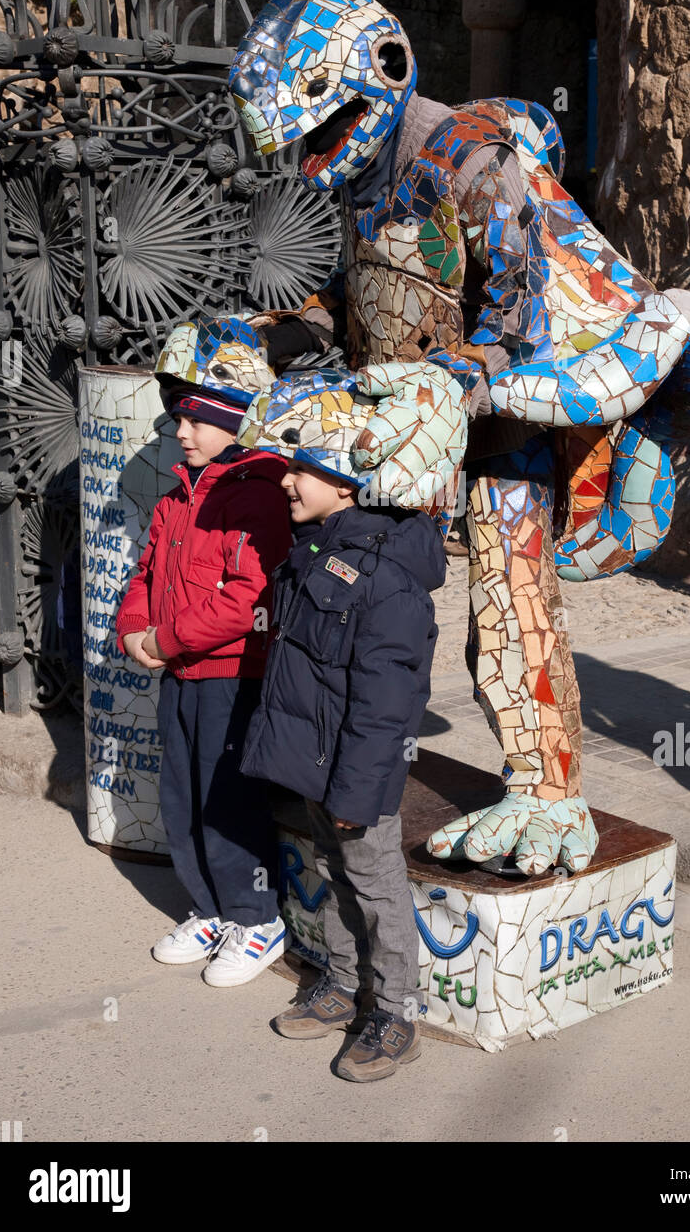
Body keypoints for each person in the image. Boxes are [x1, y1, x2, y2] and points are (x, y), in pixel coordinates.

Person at [238, 382, 446, 1081]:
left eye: (303, 469)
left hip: (355, 773)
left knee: (377, 885)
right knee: (333, 870)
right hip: (316, 761)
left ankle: (395, 1014)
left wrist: (356, 790)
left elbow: (388, 702)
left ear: (351, 485)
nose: (287, 481)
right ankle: (343, 981)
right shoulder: (320, 546)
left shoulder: (385, 578)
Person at [116, 317, 291, 987]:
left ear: (235, 421)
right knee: (182, 791)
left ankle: (257, 917)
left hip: (230, 674)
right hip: (178, 673)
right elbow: (147, 573)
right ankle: (211, 908)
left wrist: (165, 638)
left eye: (194, 419)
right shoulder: (176, 498)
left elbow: (247, 598)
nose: (180, 432)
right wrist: (134, 628)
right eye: (178, 418)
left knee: (228, 799)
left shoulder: (257, 497)